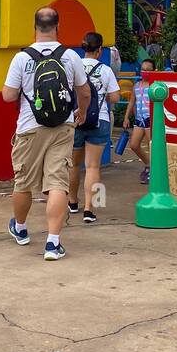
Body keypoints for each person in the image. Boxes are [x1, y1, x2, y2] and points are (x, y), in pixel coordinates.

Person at [2, 7, 90, 261]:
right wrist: (80, 113)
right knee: (57, 183)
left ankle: (20, 228)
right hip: (62, 127)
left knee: (23, 181)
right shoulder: (70, 56)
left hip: (29, 128)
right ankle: (53, 244)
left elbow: (8, 95)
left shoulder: (21, 58)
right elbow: (84, 92)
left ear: (35, 27)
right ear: (57, 27)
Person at [68, 32, 121, 223]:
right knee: (92, 166)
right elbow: (115, 97)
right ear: (99, 50)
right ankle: (90, 209)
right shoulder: (106, 70)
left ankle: (73, 202)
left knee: (74, 164)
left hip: (75, 120)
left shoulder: (73, 67)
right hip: (100, 120)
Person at [123, 58, 155, 185]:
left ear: (154, 71)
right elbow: (132, 102)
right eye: (143, 69)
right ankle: (148, 164)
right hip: (139, 120)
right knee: (134, 145)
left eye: (148, 70)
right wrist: (126, 117)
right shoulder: (137, 86)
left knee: (151, 146)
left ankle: (154, 171)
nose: (145, 72)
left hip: (150, 120)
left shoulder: (155, 86)